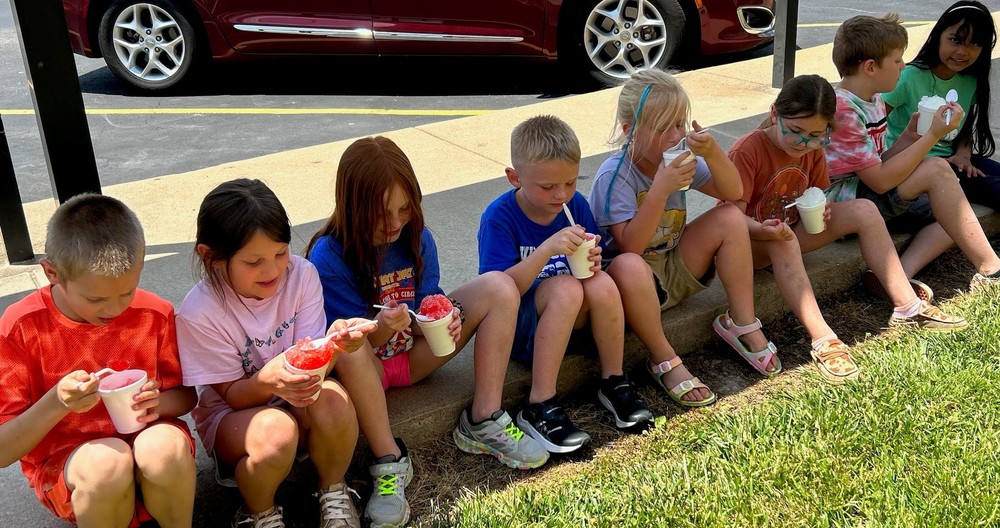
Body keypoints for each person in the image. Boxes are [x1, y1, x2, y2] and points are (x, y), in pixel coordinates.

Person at [304, 137, 548, 477]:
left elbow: (424, 307)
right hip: (365, 371)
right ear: (352, 206)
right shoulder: (328, 256)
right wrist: (383, 326)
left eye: (404, 209)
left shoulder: (417, 238)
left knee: (500, 286)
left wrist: (444, 319)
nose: (394, 222)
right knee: (348, 345)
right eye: (381, 213)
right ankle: (389, 459)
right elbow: (345, 347)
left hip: (415, 357)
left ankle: (484, 418)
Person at [0, 194, 216, 528]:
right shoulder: (22, 329)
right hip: (74, 474)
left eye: (127, 292)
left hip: (155, 467)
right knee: (107, 462)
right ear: (52, 273)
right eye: (97, 298)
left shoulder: (153, 313)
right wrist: (56, 402)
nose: (115, 309)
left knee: (164, 443)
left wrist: (158, 403)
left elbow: (185, 397)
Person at [175, 179, 378, 528]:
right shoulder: (200, 312)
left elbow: (310, 357)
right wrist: (269, 380)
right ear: (212, 257)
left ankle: (333, 490)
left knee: (334, 401)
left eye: (280, 253)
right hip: (234, 416)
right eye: (253, 262)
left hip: (295, 396)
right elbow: (230, 394)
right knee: (277, 430)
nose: (273, 271)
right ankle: (257, 516)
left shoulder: (301, 275)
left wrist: (335, 343)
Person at [726, 74, 967, 382]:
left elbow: (814, 193)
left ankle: (907, 306)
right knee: (782, 241)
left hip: (788, 229)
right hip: (752, 243)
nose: (805, 143)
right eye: (796, 131)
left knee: (865, 210)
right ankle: (824, 338)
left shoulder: (812, 149)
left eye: (816, 135)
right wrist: (766, 230)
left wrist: (822, 208)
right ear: (775, 114)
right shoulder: (747, 150)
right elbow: (731, 220)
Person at [587, 69, 782, 394]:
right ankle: (663, 357)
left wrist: (712, 152)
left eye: (680, 123)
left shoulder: (682, 158)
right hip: (634, 288)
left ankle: (742, 323)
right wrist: (661, 190)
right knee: (628, 265)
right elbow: (630, 247)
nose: (676, 134)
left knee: (731, 217)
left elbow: (733, 192)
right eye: (664, 127)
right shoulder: (615, 176)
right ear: (629, 131)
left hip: (674, 267)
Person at [477, 114, 653, 453]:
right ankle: (539, 404)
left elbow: (592, 257)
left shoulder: (576, 205)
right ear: (515, 178)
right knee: (566, 287)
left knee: (600, 282)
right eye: (548, 187)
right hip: (522, 329)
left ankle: (614, 381)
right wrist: (546, 250)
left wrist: (593, 260)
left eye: (570, 182)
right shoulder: (499, 218)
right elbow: (498, 289)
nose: (562, 195)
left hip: (573, 323)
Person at [825, 13, 1000, 292]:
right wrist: (931, 137)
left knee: (953, 212)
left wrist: (909, 137)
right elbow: (879, 181)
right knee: (937, 169)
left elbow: (879, 162)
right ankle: (991, 269)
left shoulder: (872, 100)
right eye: (896, 61)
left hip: (868, 193)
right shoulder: (845, 109)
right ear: (871, 67)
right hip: (847, 204)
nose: (902, 66)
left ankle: (894, 276)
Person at [883, 1, 998, 211]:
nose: (963, 51)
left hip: (953, 160)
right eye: (955, 40)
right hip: (918, 165)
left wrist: (964, 155)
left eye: (975, 44)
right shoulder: (908, 77)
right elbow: (872, 122)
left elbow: (964, 129)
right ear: (938, 35)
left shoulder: (970, 80)